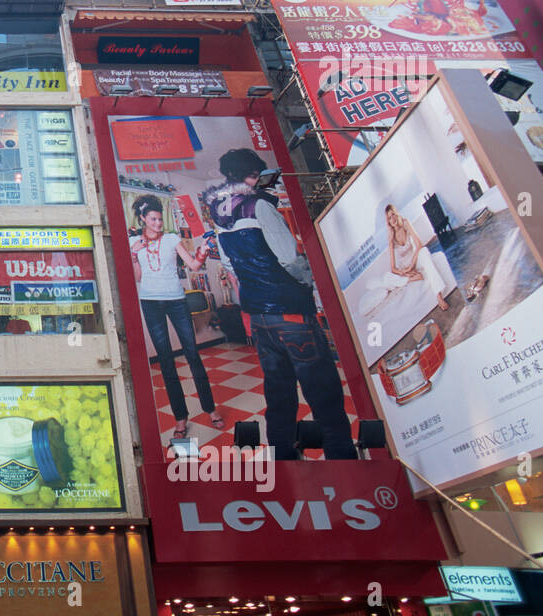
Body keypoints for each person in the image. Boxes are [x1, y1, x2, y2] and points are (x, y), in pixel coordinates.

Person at [200, 148, 358, 460]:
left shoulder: (218, 215)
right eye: (257, 175)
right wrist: (307, 282)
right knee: (322, 388)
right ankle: (342, 457)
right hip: (291, 312)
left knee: (278, 389)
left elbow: (230, 265)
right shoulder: (259, 205)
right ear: (252, 176)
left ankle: (283, 453)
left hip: (259, 316)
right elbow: (288, 256)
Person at [129, 196, 221, 438]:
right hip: (150, 303)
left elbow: (192, 265)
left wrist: (202, 253)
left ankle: (210, 409)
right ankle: (180, 419)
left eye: (160, 218)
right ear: (143, 219)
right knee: (166, 362)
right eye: (153, 219)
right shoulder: (133, 242)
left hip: (177, 301)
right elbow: (139, 278)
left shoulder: (172, 239)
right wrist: (134, 254)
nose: (158, 223)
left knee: (193, 354)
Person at [383, 205, 449, 311]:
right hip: (405, 267)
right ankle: (412, 278)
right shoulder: (391, 237)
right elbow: (393, 268)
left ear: (397, 214)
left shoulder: (405, 223)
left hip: (415, 260)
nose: (393, 219)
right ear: (388, 222)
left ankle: (439, 296)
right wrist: (405, 272)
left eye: (393, 215)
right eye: (389, 218)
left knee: (424, 252)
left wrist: (411, 268)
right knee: (387, 277)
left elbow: (419, 245)